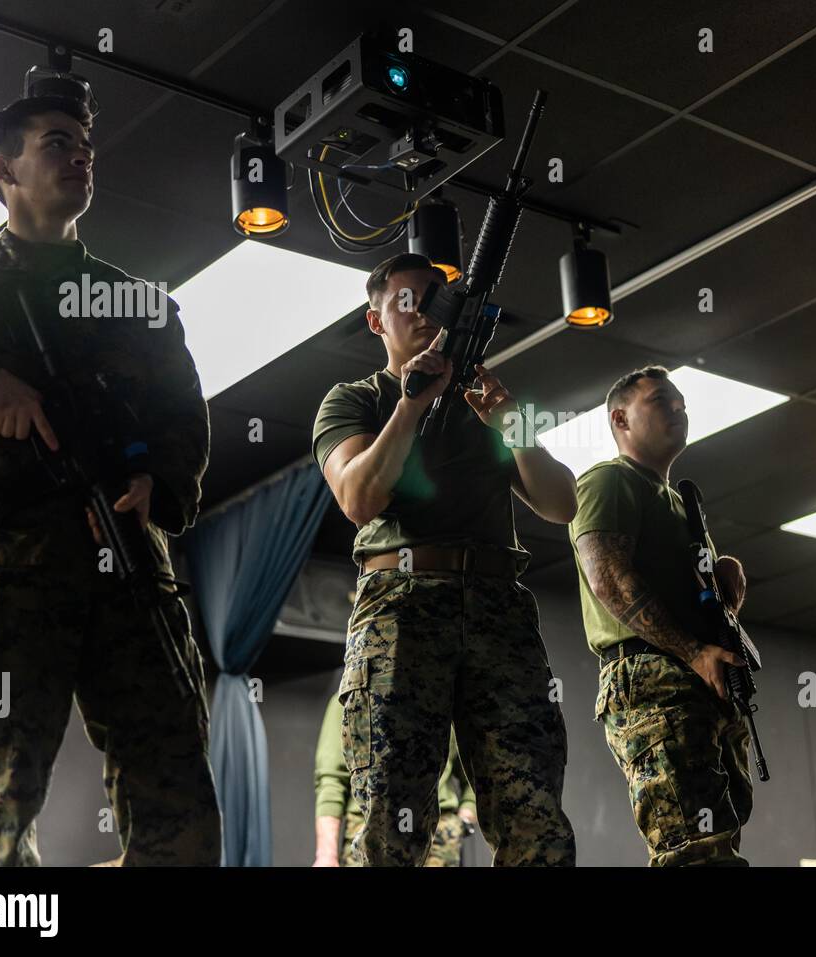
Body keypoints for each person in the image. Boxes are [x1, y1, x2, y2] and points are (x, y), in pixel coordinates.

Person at [0, 94, 221, 865]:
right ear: (3, 168)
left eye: (86, 145)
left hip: (127, 566)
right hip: (4, 572)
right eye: (57, 143)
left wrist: (157, 483)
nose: (81, 155)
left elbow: (185, 420)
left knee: (176, 793)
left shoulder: (140, 306)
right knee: (2, 807)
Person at [311, 252, 577, 866]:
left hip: (497, 607)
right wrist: (411, 404)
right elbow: (358, 497)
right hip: (401, 609)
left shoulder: (497, 403)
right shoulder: (352, 400)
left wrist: (510, 422)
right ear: (376, 321)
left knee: (532, 806)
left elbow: (562, 504)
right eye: (407, 302)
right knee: (392, 811)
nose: (426, 315)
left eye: (436, 301)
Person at [568, 365, 752, 866]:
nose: (678, 408)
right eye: (660, 401)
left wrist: (725, 592)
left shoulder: (682, 505)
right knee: (692, 849)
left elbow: (701, 604)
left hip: (699, 682)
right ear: (620, 419)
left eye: (681, 401)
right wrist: (692, 652)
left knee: (718, 839)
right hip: (651, 677)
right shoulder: (609, 481)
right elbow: (607, 577)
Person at [314, 696, 477, 867]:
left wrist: (464, 819)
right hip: (370, 831)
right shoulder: (352, 697)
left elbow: (474, 769)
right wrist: (326, 855)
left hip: (437, 838)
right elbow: (332, 778)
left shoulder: (444, 695)